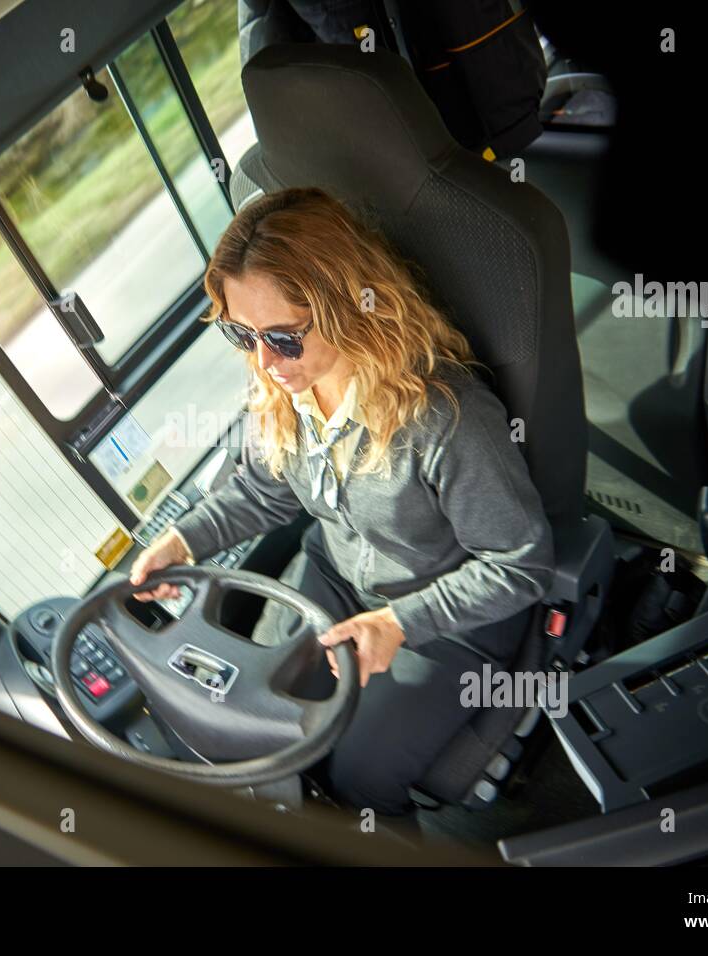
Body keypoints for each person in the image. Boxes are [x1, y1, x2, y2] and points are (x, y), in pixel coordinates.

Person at [129, 186, 554, 823]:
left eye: (284, 338)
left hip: (447, 623)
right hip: (333, 580)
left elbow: (520, 564)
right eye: (241, 334)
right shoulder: (281, 393)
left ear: (347, 309)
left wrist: (399, 623)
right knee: (259, 721)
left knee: (357, 781)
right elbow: (260, 490)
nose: (263, 361)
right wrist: (183, 541)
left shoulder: (447, 420)